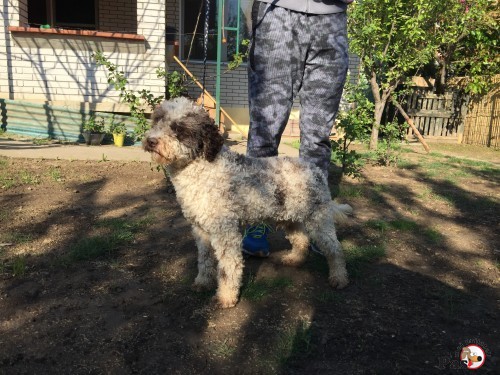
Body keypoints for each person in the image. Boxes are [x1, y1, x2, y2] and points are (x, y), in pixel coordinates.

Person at [242, 0, 352, 257]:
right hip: (277, 16)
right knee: (264, 132)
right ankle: (258, 221)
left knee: (318, 137)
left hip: (331, 22)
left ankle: (316, 223)